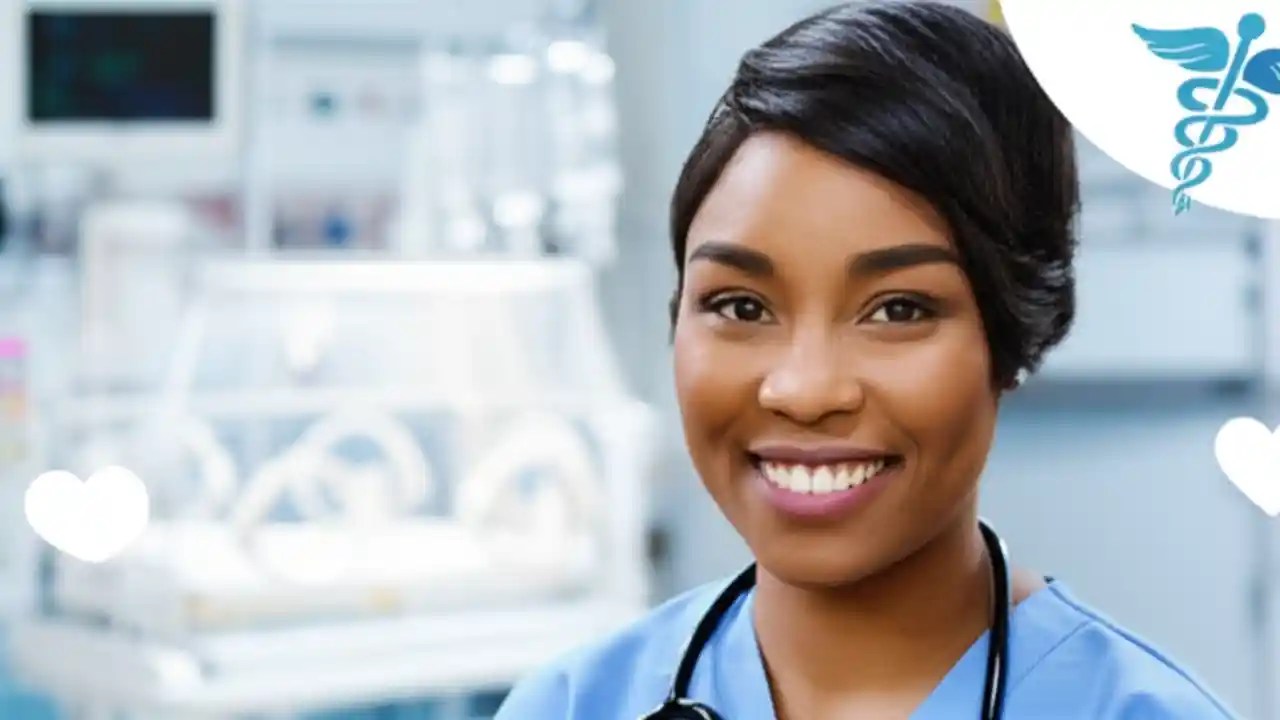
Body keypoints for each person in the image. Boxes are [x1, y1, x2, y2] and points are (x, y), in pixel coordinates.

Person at [495, 1, 1237, 717]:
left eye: (898, 310)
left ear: (1011, 339)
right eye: (741, 307)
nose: (805, 389)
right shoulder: (570, 706)